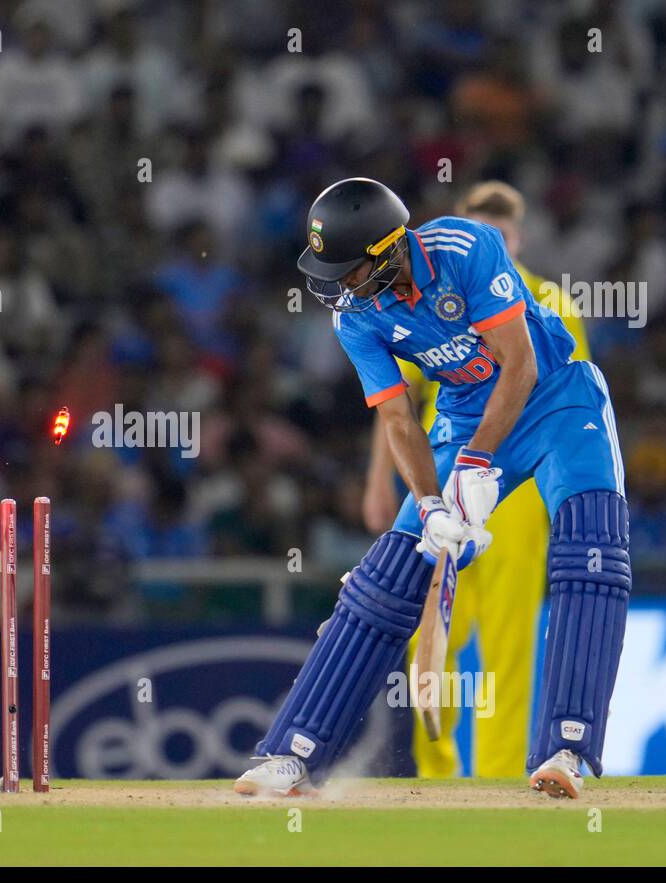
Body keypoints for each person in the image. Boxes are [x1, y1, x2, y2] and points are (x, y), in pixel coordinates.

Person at [235, 178, 629, 799]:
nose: (340, 283)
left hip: (559, 399)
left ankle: (567, 746)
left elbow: (520, 363)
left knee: (591, 554)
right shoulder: (355, 316)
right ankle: (292, 753)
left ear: (391, 248)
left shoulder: (465, 246)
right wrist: (428, 501)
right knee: (385, 581)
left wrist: (477, 464)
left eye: (350, 267)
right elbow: (396, 419)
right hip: (465, 414)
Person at [362, 181, 591, 777]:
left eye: (509, 235)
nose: (501, 245)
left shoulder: (549, 300)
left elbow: (561, 399)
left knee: (508, 649)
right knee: (428, 631)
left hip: (513, 496)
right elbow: (398, 401)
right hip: (444, 474)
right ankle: (437, 779)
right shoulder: (433, 286)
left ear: (519, 237)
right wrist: (379, 483)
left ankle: (494, 781)